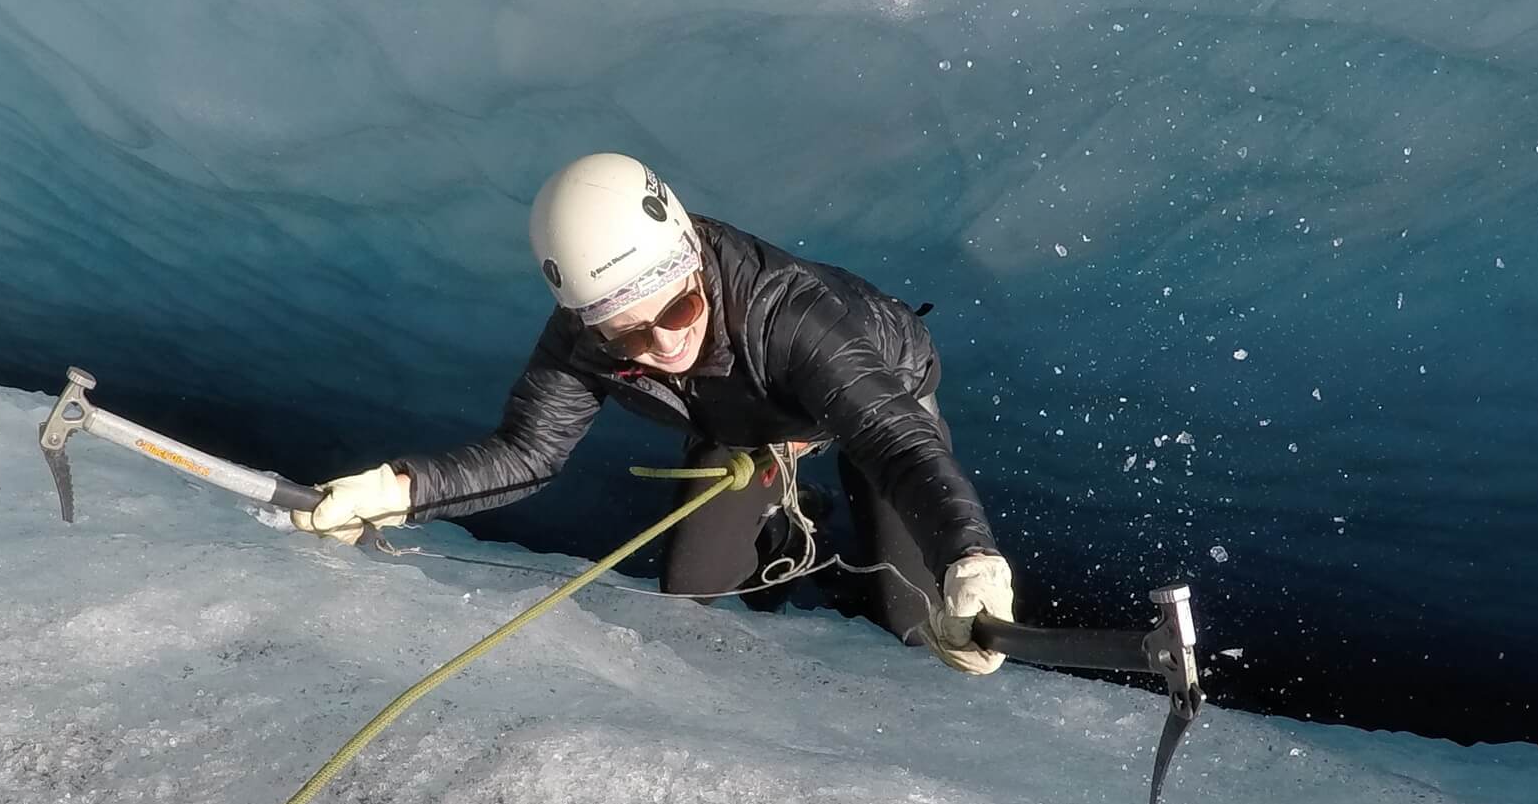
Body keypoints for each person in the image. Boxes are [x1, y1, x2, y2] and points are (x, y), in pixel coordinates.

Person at [292, 153, 1015, 672]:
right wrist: (397, 490)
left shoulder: (787, 314)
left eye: (679, 309)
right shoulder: (583, 339)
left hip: (874, 399)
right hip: (742, 421)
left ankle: (855, 565)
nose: (665, 345)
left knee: (914, 624)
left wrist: (970, 558)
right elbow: (529, 454)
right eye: (629, 336)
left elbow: (899, 445)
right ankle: (800, 525)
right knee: (690, 593)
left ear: (694, 261)